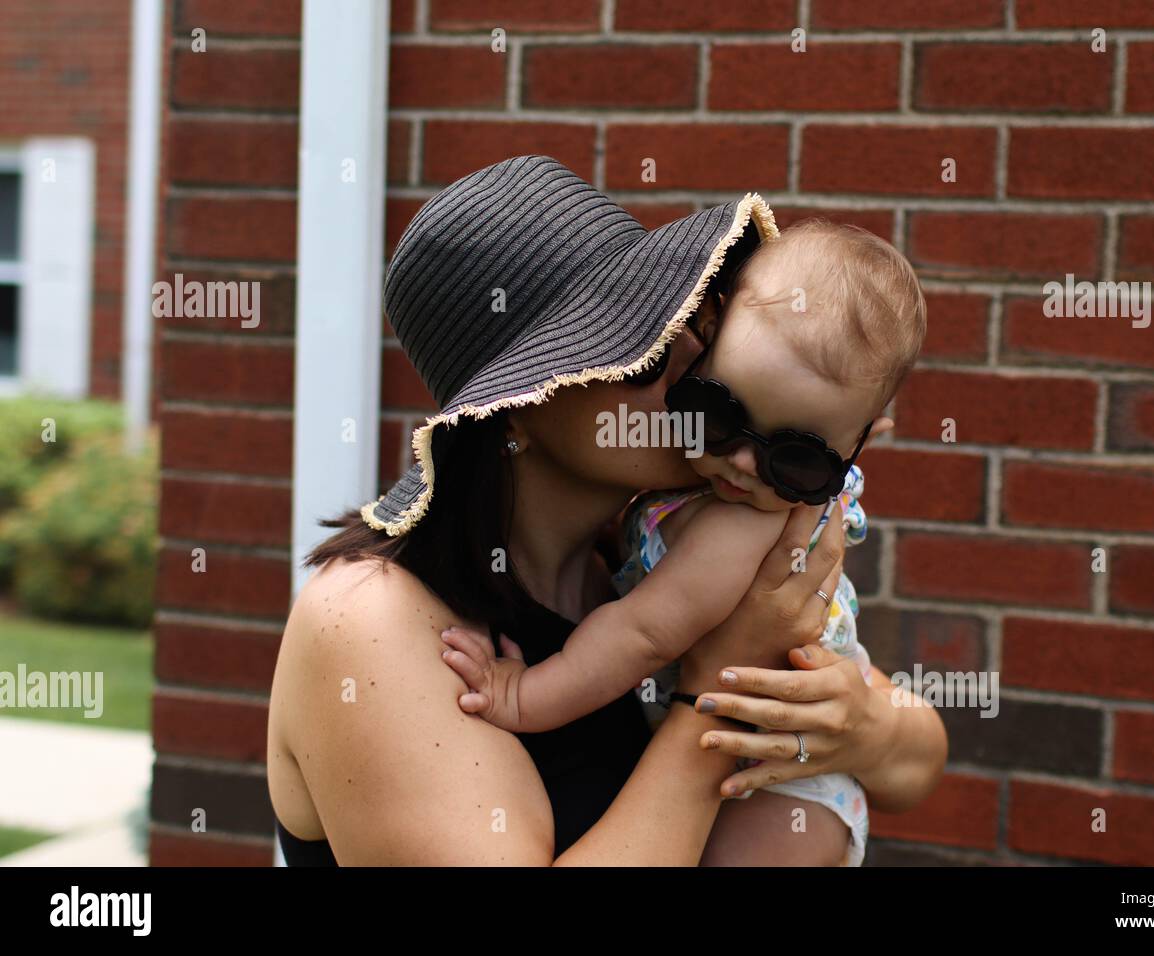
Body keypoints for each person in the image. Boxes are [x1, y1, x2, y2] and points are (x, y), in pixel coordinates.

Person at [267, 156, 947, 865]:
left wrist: (857, 723)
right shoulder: (367, 620)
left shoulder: (637, 556)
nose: (688, 362)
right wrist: (714, 698)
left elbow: (917, 758)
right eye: (637, 354)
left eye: (683, 324)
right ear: (513, 413)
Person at [440, 219, 926, 867]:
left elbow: (642, 633)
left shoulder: (744, 523)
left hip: (784, 787)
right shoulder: (678, 514)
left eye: (798, 460)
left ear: (864, 440)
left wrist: (523, 697)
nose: (745, 465)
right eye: (718, 415)